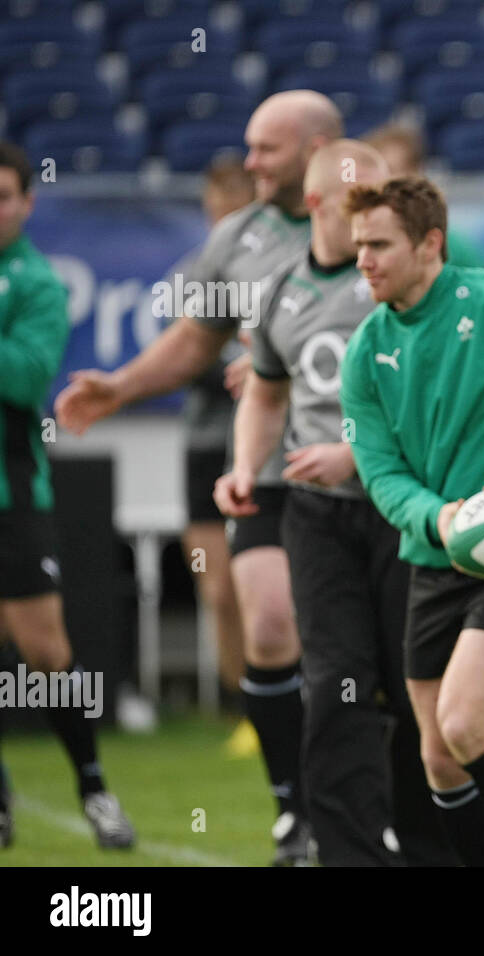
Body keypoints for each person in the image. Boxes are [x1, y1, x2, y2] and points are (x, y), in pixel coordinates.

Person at [55, 90, 342, 865]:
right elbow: (192, 340)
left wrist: (297, 352)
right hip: (266, 469)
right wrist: (119, 386)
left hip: (364, 470)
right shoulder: (238, 238)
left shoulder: (366, 218)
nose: (249, 162)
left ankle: (376, 810)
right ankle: (295, 813)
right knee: (270, 622)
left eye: (265, 149)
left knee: (363, 659)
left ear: (318, 146)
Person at [214, 142, 452, 866]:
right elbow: (266, 388)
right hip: (317, 515)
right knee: (334, 684)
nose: (381, 215)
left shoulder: (409, 281)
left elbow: (438, 394)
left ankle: (425, 843)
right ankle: (346, 850)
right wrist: (243, 467)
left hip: (404, 506)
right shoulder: (285, 289)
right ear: (319, 205)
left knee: (417, 683)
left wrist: (361, 455)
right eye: (365, 200)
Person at [340, 176, 484, 866]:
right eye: (358, 247)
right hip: (434, 555)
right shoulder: (364, 351)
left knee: (467, 724)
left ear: (430, 244)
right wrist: (439, 518)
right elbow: (378, 470)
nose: (364, 261)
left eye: (379, 245)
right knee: (438, 757)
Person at [0, 142, 135, 850]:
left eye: (4, 197)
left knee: (45, 652)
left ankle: (93, 788)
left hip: (11, 493)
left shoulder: (38, 283)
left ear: (26, 202)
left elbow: (25, 378)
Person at [179, 156, 255, 701]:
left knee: (268, 589)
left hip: (265, 447)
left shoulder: (280, 268)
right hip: (207, 445)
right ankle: (242, 705)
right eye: (214, 211)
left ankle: (280, 692)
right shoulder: (192, 273)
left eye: (232, 210)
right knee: (220, 589)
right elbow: (195, 364)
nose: (220, 222)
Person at [362, 123, 484, 267]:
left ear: (416, 174)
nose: (382, 181)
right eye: (374, 171)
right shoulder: (356, 245)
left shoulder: (454, 248)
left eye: (391, 170)